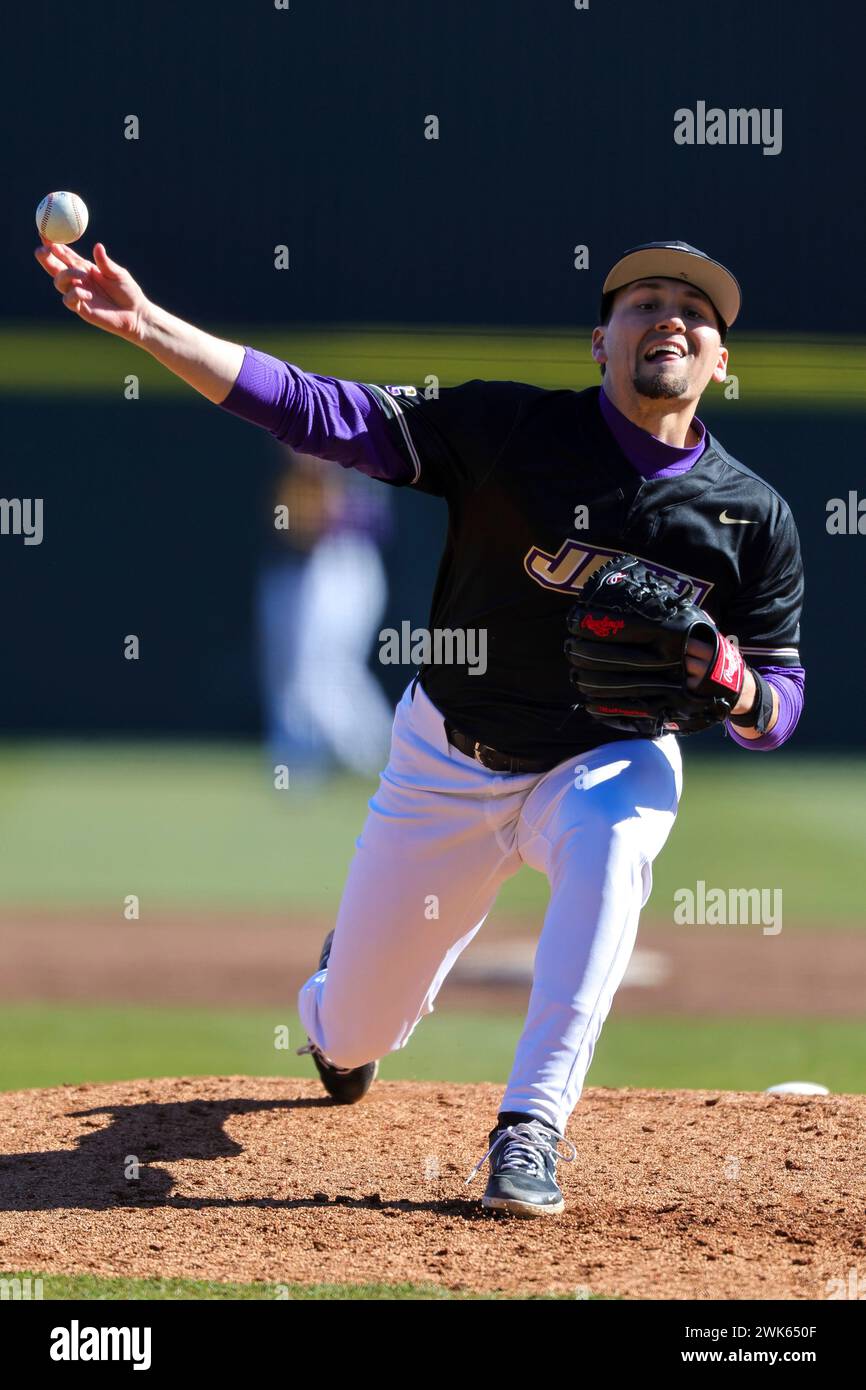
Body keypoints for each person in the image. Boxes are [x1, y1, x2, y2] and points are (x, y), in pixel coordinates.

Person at [34, 236, 805, 1219]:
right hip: (447, 761)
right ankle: (333, 1004)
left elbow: (779, 698)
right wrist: (148, 325)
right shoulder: (509, 430)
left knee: (614, 848)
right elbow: (320, 409)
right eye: (642, 300)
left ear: (720, 360)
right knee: (356, 1030)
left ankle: (529, 1128)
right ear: (597, 341)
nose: (670, 318)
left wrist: (742, 690)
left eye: (695, 310)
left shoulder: (751, 518)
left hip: (607, 756)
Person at [257, 448, 394, 778]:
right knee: (306, 672)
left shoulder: (361, 424)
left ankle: (382, 756)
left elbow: (317, 465)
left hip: (344, 557)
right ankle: (305, 759)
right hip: (315, 561)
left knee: (321, 672)